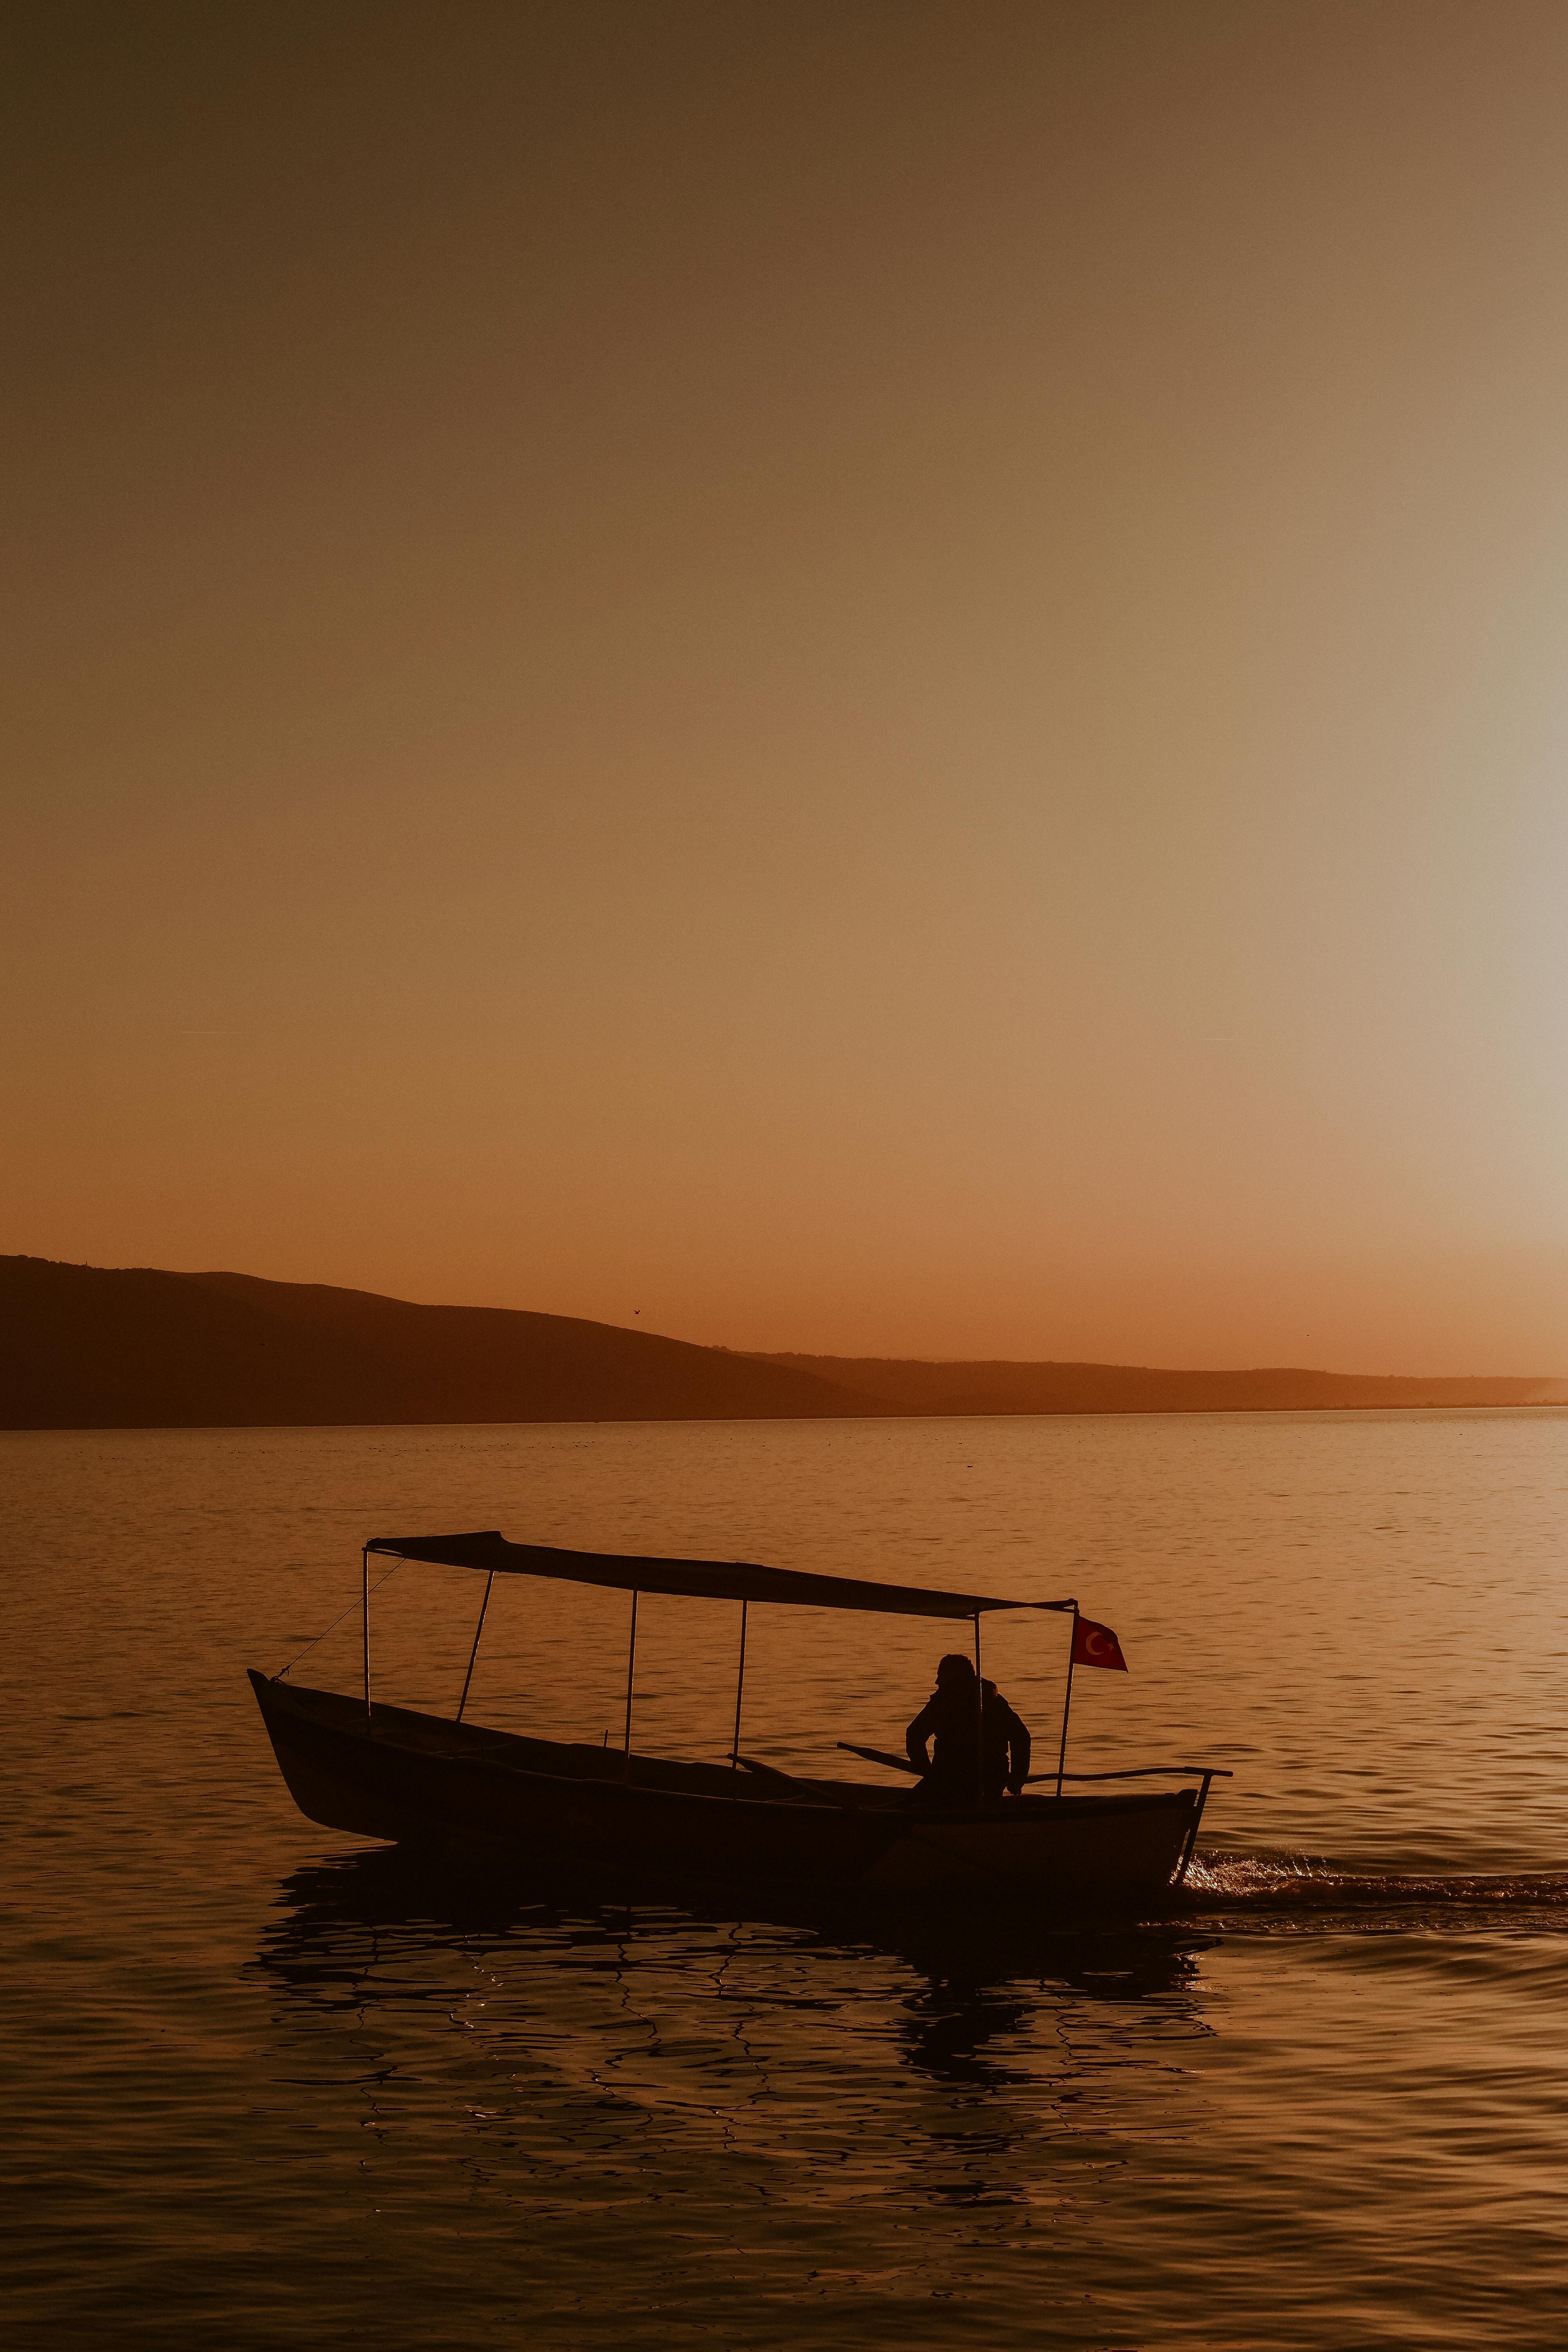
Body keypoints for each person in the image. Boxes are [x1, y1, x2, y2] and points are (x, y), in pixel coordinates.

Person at [905, 1653, 1031, 1806]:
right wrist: (1017, 1779)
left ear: (953, 1676)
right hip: (992, 1780)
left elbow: (914, 1735)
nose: (937, 1682)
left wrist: (928, 1772)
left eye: (941, 1675)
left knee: (909, 1806)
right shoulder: (995, 1701)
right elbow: (1022, 1737)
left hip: (950, 1780)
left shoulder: (944, 1701)